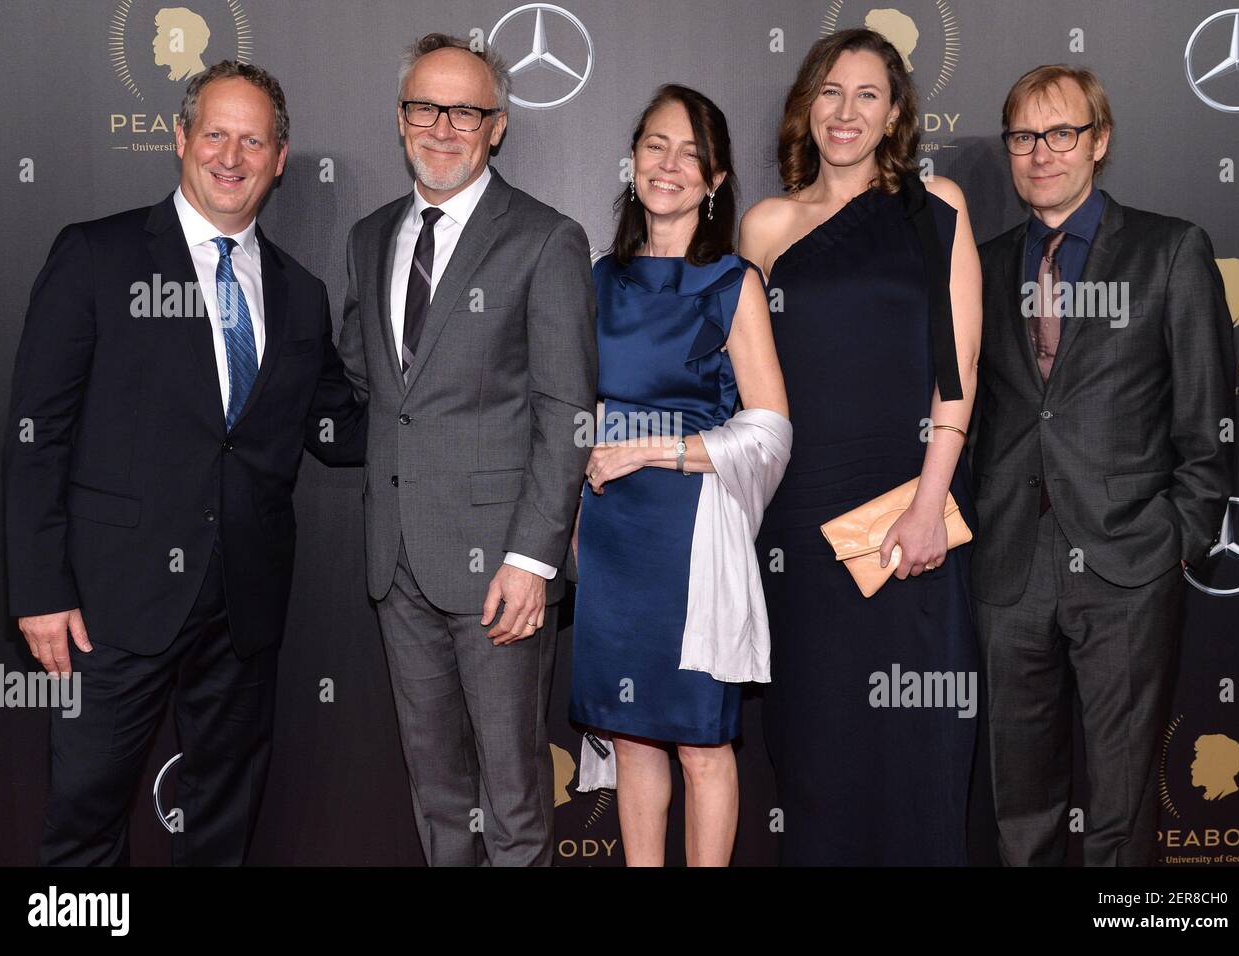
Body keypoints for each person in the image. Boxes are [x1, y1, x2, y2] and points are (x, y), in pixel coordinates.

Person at [3, 60, 367, 865]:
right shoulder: (95, 256)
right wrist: (38, 591)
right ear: (178, 139)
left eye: (253, 139)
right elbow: (36, 434)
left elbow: (347, 428)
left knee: (222, 829)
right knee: (83, 823)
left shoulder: (300, 293)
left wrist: (471, 411)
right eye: (215, 134)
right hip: (108, 607)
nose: (231, 156)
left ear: (279, 157)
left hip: (242, 608)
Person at [337, 33, 596, 866]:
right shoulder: (370, 237)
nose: (442, 127)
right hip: (397, 557)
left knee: (515, 797)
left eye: (466, 111)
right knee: (436, 789)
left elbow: (567, 410)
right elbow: (370, 372)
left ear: (498, 125)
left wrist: (533, 558)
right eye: (425, 107)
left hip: (501, 570)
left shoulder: (546, 238)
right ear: (402, 117)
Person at [974, 65, 1235, 866]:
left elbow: (1209, 420)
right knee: (1020, 811)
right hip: (1010, 563)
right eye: (1024, 136)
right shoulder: (980, 265)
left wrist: (1175, 538)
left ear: (1101, 141)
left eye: (1063, 133)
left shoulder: (1170, 249)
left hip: (1128, 564)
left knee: (1122, 814)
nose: (1041, 153)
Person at [740, 28, 983, 865]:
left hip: (905, 522)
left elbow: (957, 374)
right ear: (808, 106)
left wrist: (926, 506)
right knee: (816, 756)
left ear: (896, 115)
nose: (846, 112)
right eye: (831, 92)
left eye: (868, 95)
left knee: (916, 755)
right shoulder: (766, 225)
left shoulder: (936, 204)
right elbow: (745, 389)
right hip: (797, 531)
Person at [569, 84, 789, 867]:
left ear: (717, 179)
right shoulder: (596, 279)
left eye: (692, 153)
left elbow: (768, 428)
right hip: (609, 540)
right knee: (632, 739)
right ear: (632, 161)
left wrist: (654, 448)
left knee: (699, 741)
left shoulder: (732, 285)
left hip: (691, 538)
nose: (670, 164)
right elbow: (577, 410)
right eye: (656, 145)